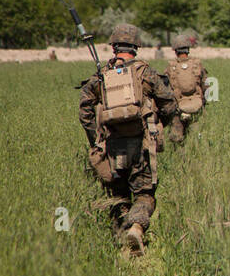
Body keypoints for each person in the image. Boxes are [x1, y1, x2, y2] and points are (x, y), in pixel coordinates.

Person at [80, 24, 179, 253]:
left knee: (118, 195)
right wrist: (158, 122)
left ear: (113, 46)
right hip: (142, 144)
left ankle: (120, 243)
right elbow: (169, 102)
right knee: (145, 194)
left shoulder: (101, 76)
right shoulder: (146, 73)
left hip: (112, 146)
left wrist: (95, 139)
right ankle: (137, 227)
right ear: (136, 46)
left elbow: (84, 110)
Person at [164, 33, 208, 143]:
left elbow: (165, 89)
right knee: (197, 138)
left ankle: (179, 156)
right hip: (196, 105)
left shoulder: (170, 67)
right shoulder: (197, 64)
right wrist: (203, 102)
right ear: (188, 49)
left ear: (175, 50)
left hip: (178, 107)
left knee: (176, 138)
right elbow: (205, 85)